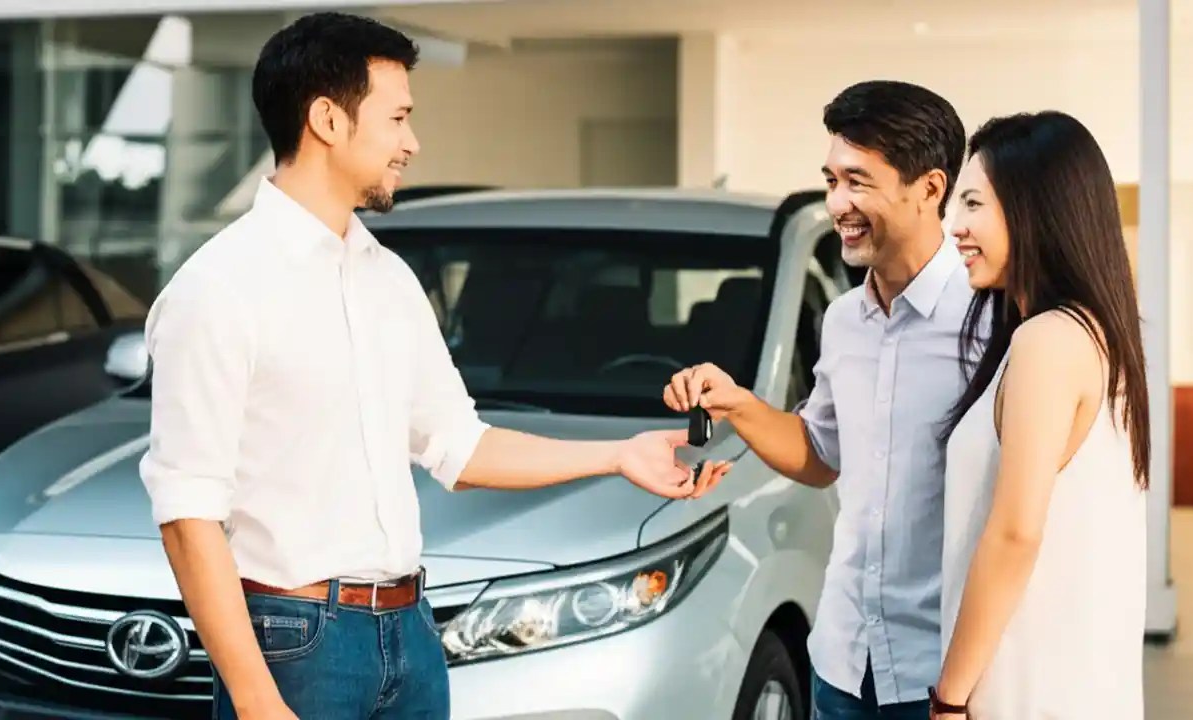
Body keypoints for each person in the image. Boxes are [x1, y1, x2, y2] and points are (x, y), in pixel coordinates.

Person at [138, 11, 731, 720]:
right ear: (328, 119)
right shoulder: (219, 287)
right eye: (396, 119)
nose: (411, 144)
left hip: (413, 635)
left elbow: (460, 446)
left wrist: (616, 455)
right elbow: (186, 514)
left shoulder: (386, 278)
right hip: (295, 647)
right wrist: (259, 703)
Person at [664, 80, 978, 719]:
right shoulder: (842, 321)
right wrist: (737, 404)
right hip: (842, 662)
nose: (838, 203)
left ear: (930, 189)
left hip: (943, 677)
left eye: (858, 181)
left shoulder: (989, 321)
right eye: (832, 180)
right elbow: (820, 453)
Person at [932, 111, 1149, 719]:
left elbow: (1015, 532)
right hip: (1070, 682)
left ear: (1035, 209)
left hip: (1028, 688)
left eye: (973, 203)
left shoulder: (1049, 341)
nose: (956, 227)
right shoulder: (1091, 334)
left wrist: (948, 697)